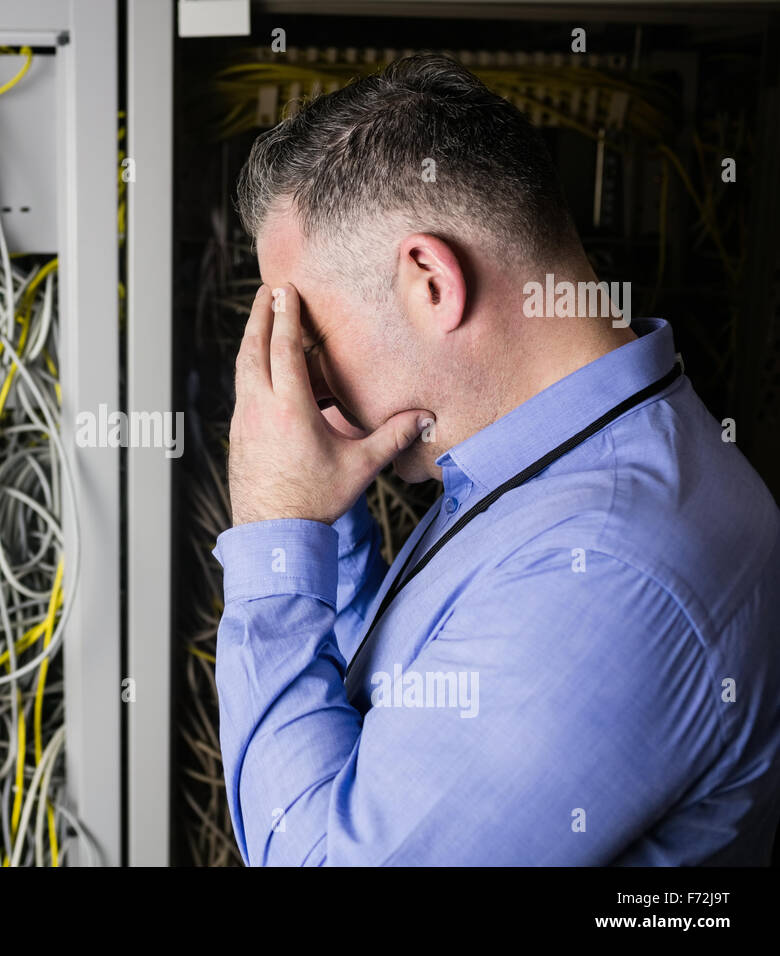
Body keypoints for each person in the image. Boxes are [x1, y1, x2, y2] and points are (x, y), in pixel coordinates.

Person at [214, 53, 780, 865]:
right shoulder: (552, 459)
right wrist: (321, 529)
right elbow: (405, 697)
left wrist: (275, 531)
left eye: (311, 337)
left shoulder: (608, 571)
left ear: (431, 282)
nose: (304, 380)